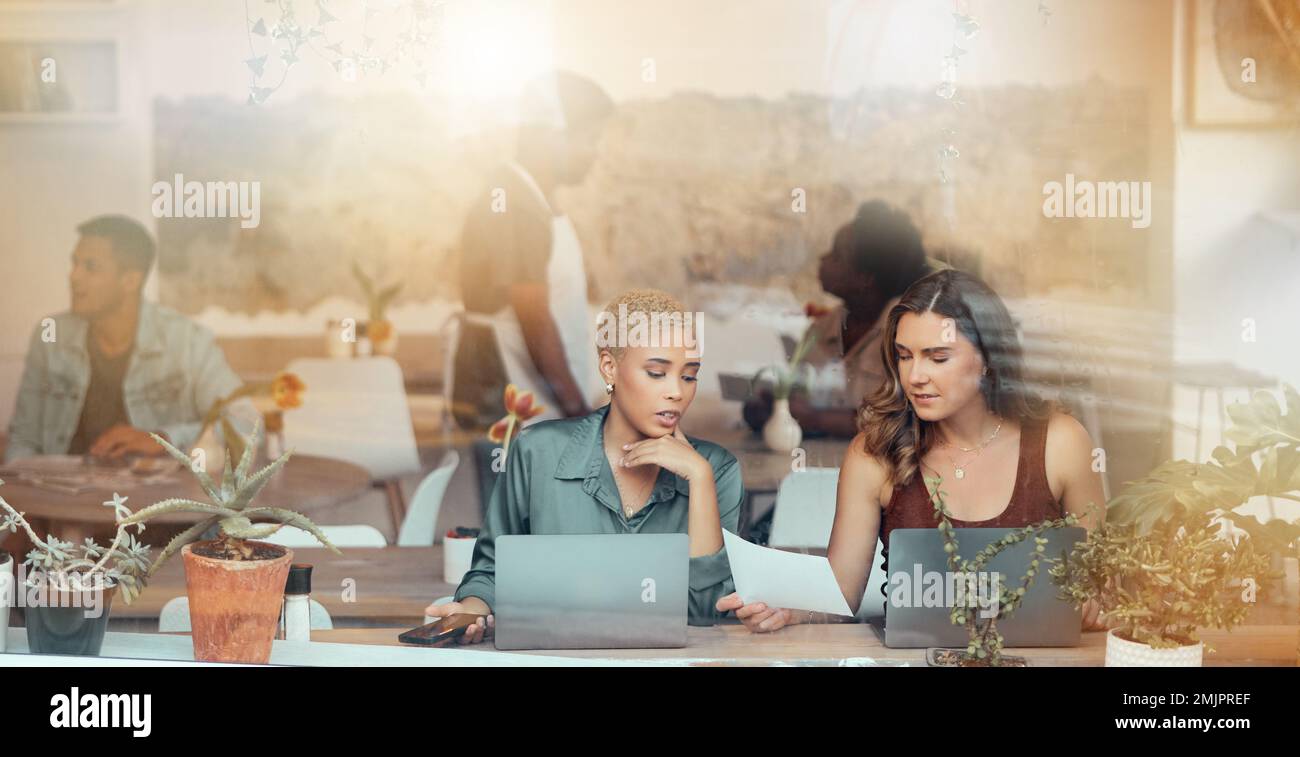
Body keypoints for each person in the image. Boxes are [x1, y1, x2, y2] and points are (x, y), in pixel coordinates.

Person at [720, 269, 1107, 631]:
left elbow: (1100, 588)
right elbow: (841, 593)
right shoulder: (875, 453)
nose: (915, 376)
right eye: (905, 356)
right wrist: (786, 607)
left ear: (990, 359)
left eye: (938, 358)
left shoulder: (1060, 442)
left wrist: (1093, 604)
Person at [426, 289, 743, 642]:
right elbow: (492, 569)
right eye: (657, 373)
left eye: (688, 376)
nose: (677, 392)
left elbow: (703, 612)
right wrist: (472, 609)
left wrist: (699, 480)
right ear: (609, 366)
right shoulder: (538, 452)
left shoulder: (716, 470)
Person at [6, 215, 251, 462]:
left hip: (154, 497)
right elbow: (22, 439)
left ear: (130, 280)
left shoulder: (188, 341)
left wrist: (164, 438)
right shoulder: (50, 335)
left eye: (90, 267)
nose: (74, 276)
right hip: (59, 493)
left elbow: (246, 424)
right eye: (75, 263)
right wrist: (26, 491)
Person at [450, 71, 614, 432]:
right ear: (553, 136)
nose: (595, 153)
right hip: (519, 413)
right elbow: (534, 317)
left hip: (540, 413)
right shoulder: (513, 204)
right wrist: (578, 412)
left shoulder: (533, 199)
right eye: (590, 138)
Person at [744, 200, 930, 438]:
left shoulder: (906, 333)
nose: (823, 260)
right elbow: (797, 399)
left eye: (837, 255)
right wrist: (772, 409)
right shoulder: (821, 330)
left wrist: (816, 419)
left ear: (865, 278)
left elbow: (907, 420)